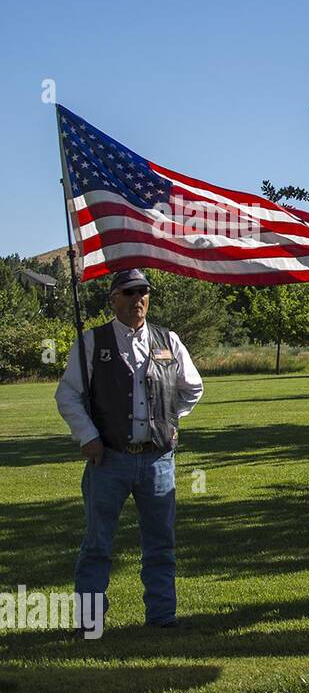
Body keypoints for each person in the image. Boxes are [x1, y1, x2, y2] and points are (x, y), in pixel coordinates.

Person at [55, 269, 204, 634]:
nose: (138, 298)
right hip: (108, 458)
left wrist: (166, 419)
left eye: (144, 292)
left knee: (160, 545)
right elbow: (67, 395)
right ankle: (90, 622)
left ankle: (162, 617)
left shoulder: (168, 339)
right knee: (97, 544)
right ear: (113, 298)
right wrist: (87, 436)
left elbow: (193, 388)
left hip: (158, 460)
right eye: (129, 292)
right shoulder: (91, 342)